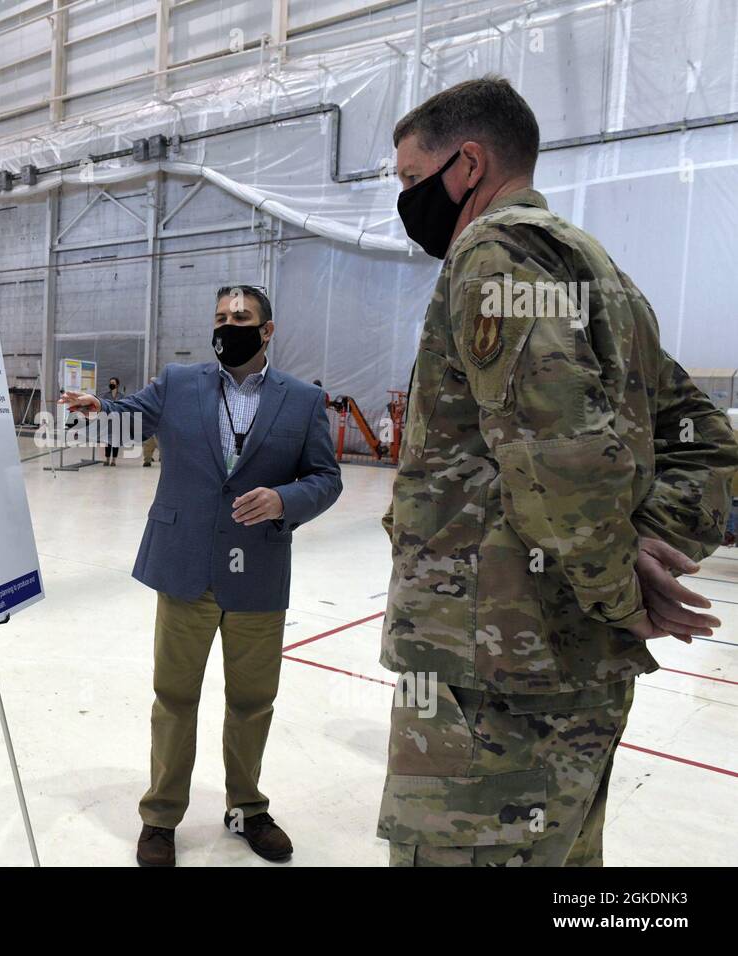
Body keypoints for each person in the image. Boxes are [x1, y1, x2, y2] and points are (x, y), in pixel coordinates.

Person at [380, 75, 738, 866]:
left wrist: (622, 590)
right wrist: (645, 552)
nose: (405, 202)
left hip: (491, 672)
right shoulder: (604, 278)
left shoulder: (490, 255)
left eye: (411, 180)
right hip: (575, 670)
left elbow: (562, 456)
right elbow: (706, 438)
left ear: (467, 164)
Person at [60, 284, 342, 866]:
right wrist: (96, 416)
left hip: (257, 573)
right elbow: (125, 421)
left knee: (252, 701)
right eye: (220, 316)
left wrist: (285, 500)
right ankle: (161, 818)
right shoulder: (179, 383)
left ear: (266, 330)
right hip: (186, 567)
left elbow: (325, 477)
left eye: (240, 317)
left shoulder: (303, 400)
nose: (227, 325)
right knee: (174, 696)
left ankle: (247, 810)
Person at [99, 377, 124, 465]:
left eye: (113, 383)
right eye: (110, 382)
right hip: (108, 420)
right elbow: (103, 406)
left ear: (117, 384)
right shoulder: (106, 395)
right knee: (108, 441)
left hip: (118, 420)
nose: (111, 384)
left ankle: (114, 460)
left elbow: (123, 407)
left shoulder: (121, 396)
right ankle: (107, 459)